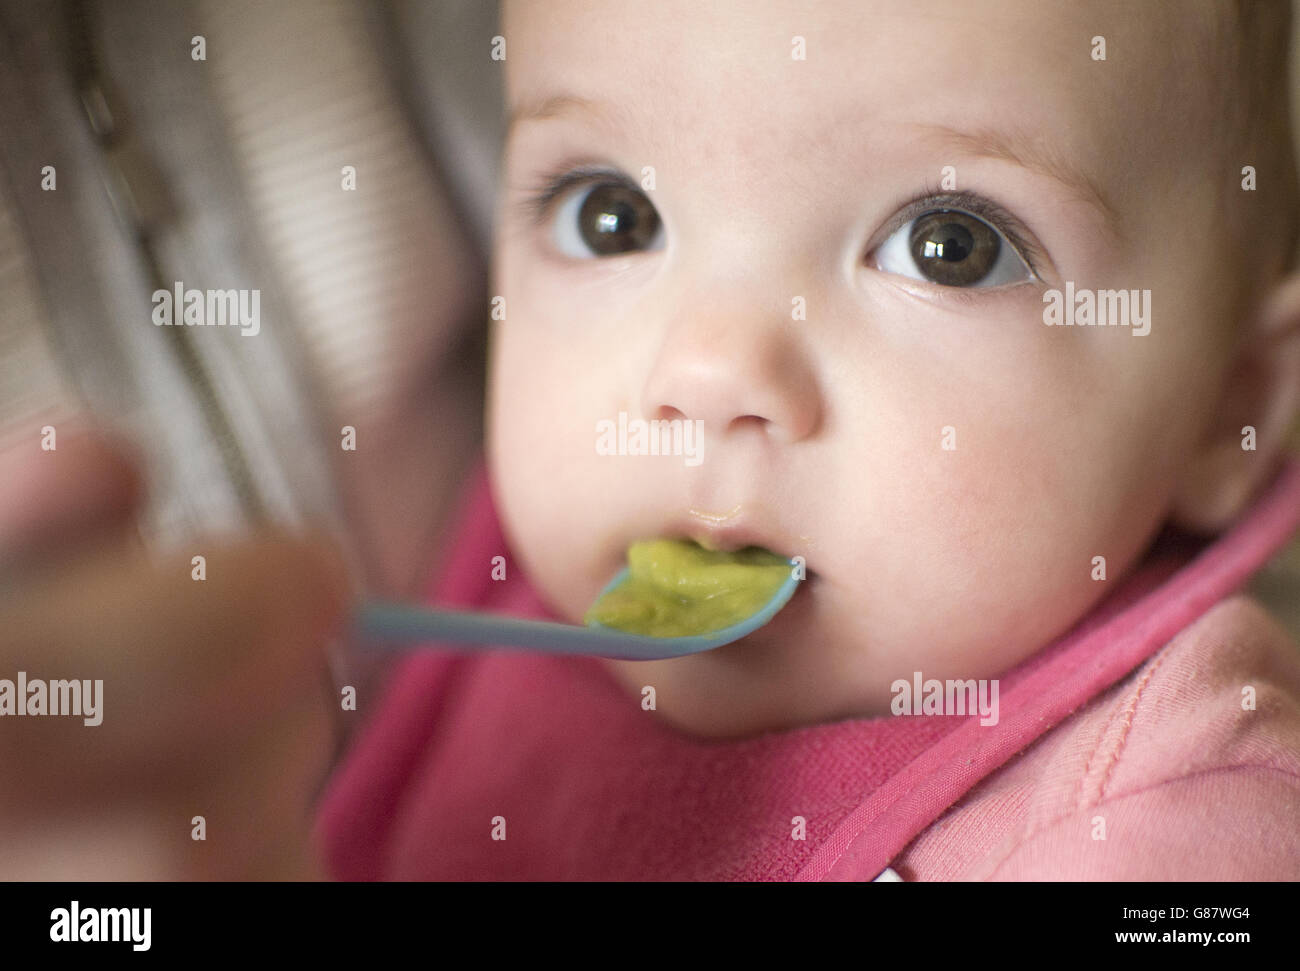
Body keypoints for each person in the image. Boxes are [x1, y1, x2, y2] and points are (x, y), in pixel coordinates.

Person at [4, 0, 1300, 881]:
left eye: (947, 246)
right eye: (613, 216)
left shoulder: (1176, 821)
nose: (707, 372)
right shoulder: (500, 611)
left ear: (1232, 405)